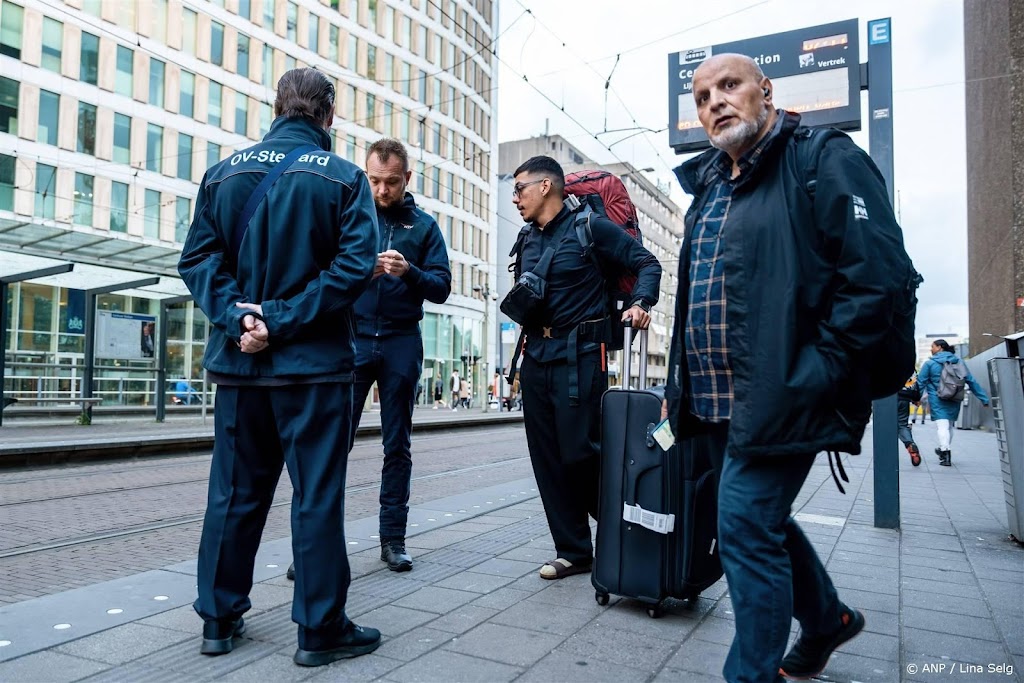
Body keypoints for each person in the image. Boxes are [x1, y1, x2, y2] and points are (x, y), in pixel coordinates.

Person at [663, 54, 914, 682]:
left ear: (764, 91)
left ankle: (749, 675)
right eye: (701, 96)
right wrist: (678, 386)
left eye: (729, 86)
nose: (715, 101)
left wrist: (819, 368)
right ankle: (828, 620)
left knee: (745, 522)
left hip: (786, 388)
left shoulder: (823, 158)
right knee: (752, 516)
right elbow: (696, 295)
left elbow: (876, 278)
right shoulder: (710, 186)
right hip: (720, 398)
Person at [178, 68, 381, 667]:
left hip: (240, 368)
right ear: (328, 115)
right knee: (316, 496)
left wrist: (241, 319)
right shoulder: (343, 179)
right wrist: (281, 319)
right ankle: (319, 631)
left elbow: (197, 259)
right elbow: (352, 269)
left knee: (233, 494)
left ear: (277, 106)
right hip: (313, 369)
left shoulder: (223, 173)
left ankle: (218, 619)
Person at [509, 155, 661, 580]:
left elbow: (647, 262)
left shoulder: (590, 228)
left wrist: (639, 303)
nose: (515, 197)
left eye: (519, 188)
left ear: (545, 187)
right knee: (547, 459)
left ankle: (626, 525)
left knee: (580, 453)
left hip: (580, 358)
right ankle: (574, 551)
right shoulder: (525, 238)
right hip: (536, 356)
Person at [349, 137, 451, 572]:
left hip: (400, 341)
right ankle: (317, 543)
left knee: (398, 446)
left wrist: (409, 273)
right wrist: (358, 272)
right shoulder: (350, 218)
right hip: (351, 338)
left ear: (406, 178)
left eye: (391, 182)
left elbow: (442, 287)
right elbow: (324, 274)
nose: (381, 191)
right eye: (374, 180)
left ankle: (393, 539)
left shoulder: (424, 227)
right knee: (332, 444)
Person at [916, 339, 990, 466]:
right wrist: (983, 398)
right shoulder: (958, 362)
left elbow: (920, 382)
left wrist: (916, 398)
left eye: (932, 347)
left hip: (937, 398)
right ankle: (943, 448)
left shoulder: (929, 364)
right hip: (954, 397)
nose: (931, 349)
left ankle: (945, 453)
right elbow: (970, 380)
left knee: (942, 426)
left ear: (939, 347)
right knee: (949, 426)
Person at [897, 377, 922, 466]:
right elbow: (913, 380)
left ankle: (885, 453)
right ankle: (910, 443)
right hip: (904, 398)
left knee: (884, 426)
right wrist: (916, 398)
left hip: (886, 398)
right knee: (902, 425)